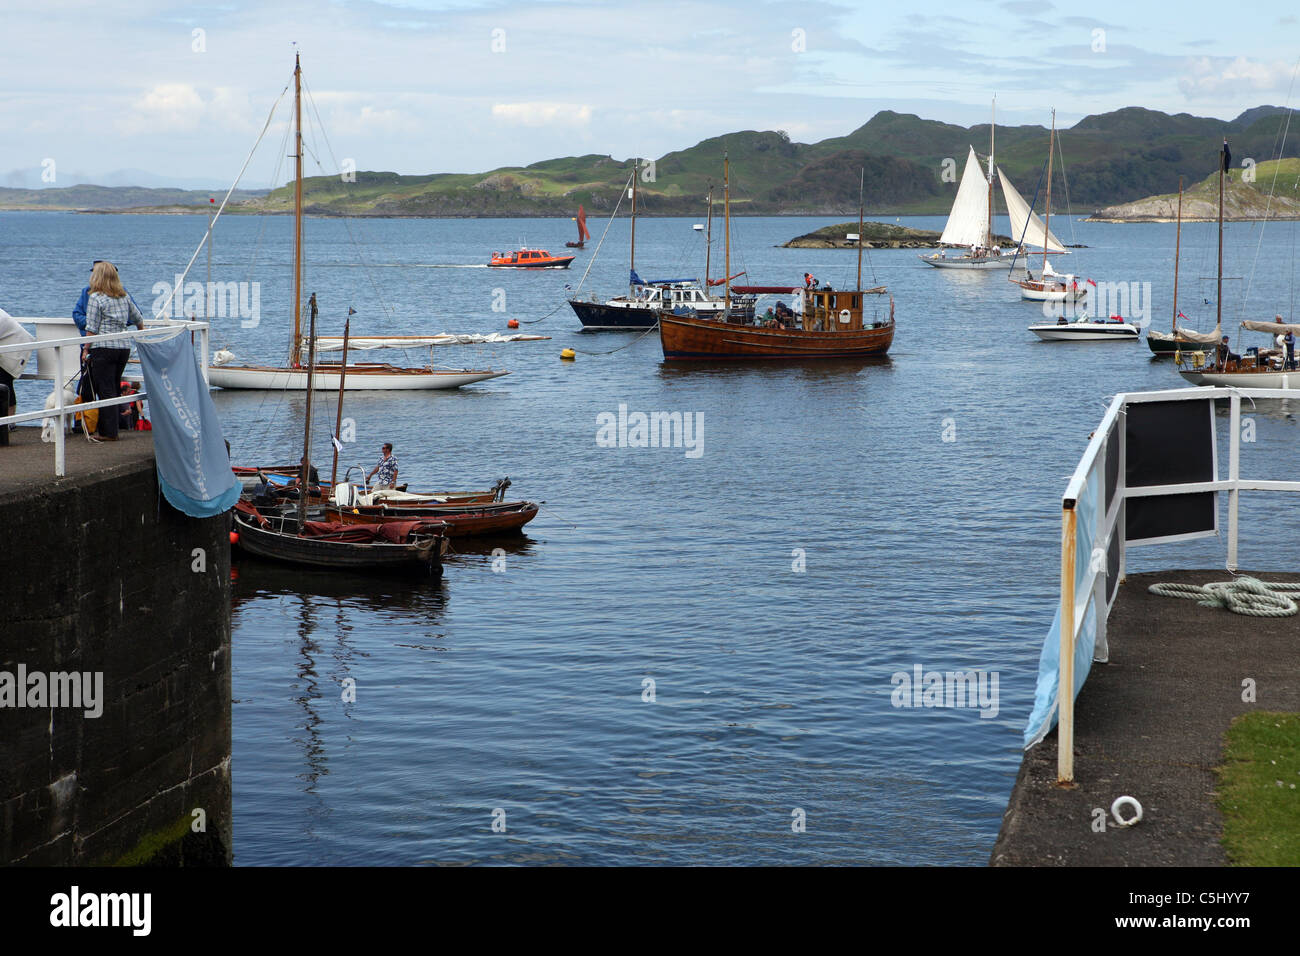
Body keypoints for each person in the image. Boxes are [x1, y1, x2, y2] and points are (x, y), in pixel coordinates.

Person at [83, 261, 144, 441]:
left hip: (104, 347)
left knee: (105, 389)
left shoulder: (96, 298)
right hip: (123, 347)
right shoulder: (124, 297)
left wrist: (85, 349)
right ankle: (112, 428)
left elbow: (92, 327)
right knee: (113, 387)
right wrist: (143, 337)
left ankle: (109, 432)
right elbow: (138, 319)